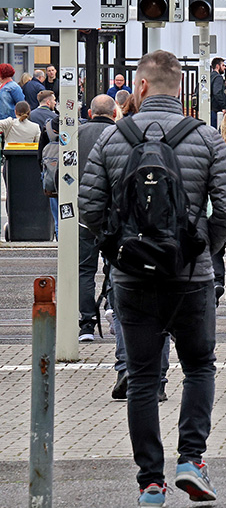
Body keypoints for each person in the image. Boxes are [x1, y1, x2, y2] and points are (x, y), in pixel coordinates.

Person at [79, 50, 226, 508]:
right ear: (180, 89)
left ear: (142, 87)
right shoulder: (207, 137)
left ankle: (151, 484)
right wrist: (199, 249)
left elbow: (90, 209)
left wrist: (119, 252)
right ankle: (191, 460)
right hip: (190, 277)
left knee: (144, 378)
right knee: (199, 366)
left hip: (131, 278)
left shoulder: (113, 138)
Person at [76, 95, 117, 342]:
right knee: (116, 263)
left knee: (84, 269)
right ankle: (113, 306)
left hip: (83, 214)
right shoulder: (122, 135)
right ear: (114, 113)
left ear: (91, 113)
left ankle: (86, 324)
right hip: (114, 214)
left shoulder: (76, 134)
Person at [208, 57, 226, 127]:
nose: (225, 67)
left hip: (208, 108)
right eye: (223, 65)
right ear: (217, 66)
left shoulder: (209, 76)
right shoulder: (218, 78)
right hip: (215, 109)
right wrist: (223, 106)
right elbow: (217, 92)